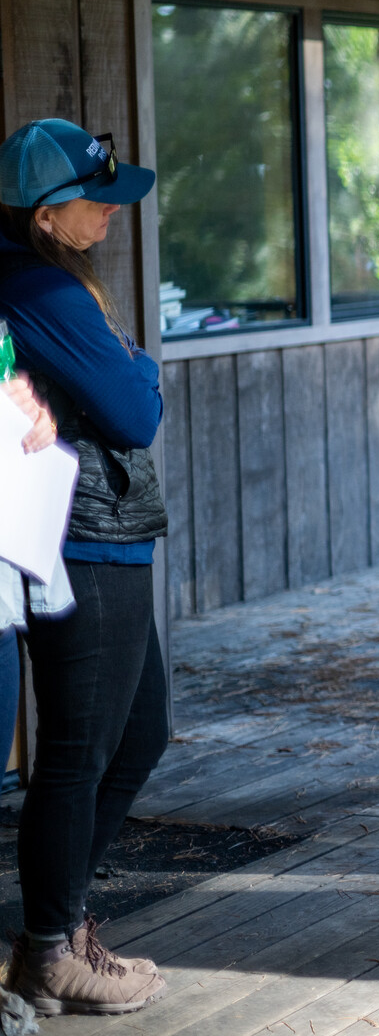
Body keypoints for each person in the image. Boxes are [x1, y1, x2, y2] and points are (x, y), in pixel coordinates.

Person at [0, 119, 169, 1016]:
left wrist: (122, 369)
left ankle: (61, 931)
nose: (109, 209)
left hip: (96, 535)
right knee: (79, 752)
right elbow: (135, 411)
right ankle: (49, 948)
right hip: (83, 538)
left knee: (134, 738)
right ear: (43, 213)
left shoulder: (44, 283)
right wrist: (138, 363)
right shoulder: (44, 290)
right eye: (91, 198)